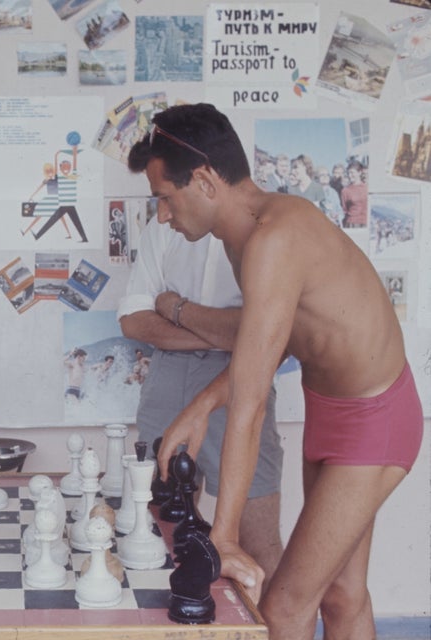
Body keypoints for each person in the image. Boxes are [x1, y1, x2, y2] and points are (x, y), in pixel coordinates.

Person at [127, 103, 422, 640]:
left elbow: (253, 399)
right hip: (332, 413)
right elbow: (275, 347)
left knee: (285, 609)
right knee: (343, 595)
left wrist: (225, 535)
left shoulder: (274, 237)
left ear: (205, 180)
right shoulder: (241, 237)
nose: (164, 216)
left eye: (166, 198)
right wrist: (202, 403)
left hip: (374, 420)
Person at [117, 212, 284, 592]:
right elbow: (133, 322)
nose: (163, 208)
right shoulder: (163, 224)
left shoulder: (266, 228)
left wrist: (176, 310)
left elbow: (273, 330)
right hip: (170, 372)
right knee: (158, 535)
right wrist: (230, 333)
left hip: (239, 375)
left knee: (259, 547)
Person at [340, 160, 368, 228]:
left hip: (366, 223)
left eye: (352, 173)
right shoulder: (345, 191)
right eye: (348, 173)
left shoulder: (367, 188)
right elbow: (345, 209)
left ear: (359, 172)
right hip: (352, 224)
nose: (350, 175)